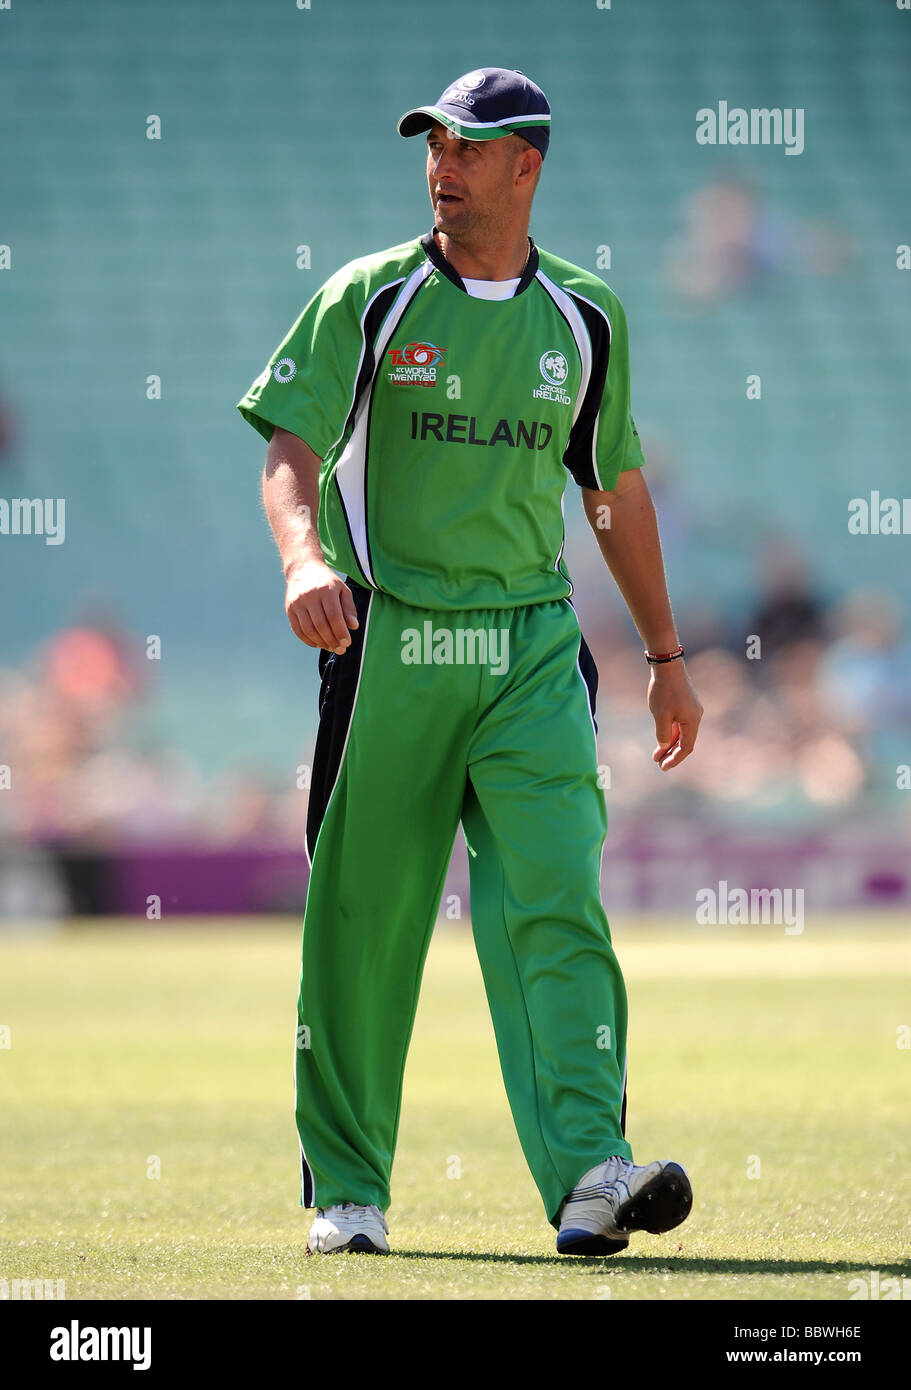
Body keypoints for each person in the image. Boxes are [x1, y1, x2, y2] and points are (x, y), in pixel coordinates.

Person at [237, 67, 703, 1258]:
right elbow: (292, 446)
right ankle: (346, 1190)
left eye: (468, 147)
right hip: (390, 637)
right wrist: (301, 561)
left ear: (525, 166)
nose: (442, 165)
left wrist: (662, 652)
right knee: (363, 916)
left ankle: (591, 1171)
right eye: (432, 144)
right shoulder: (371, 298)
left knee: (556, 898)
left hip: (533, 646)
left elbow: (610, 487)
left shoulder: (584, 314)